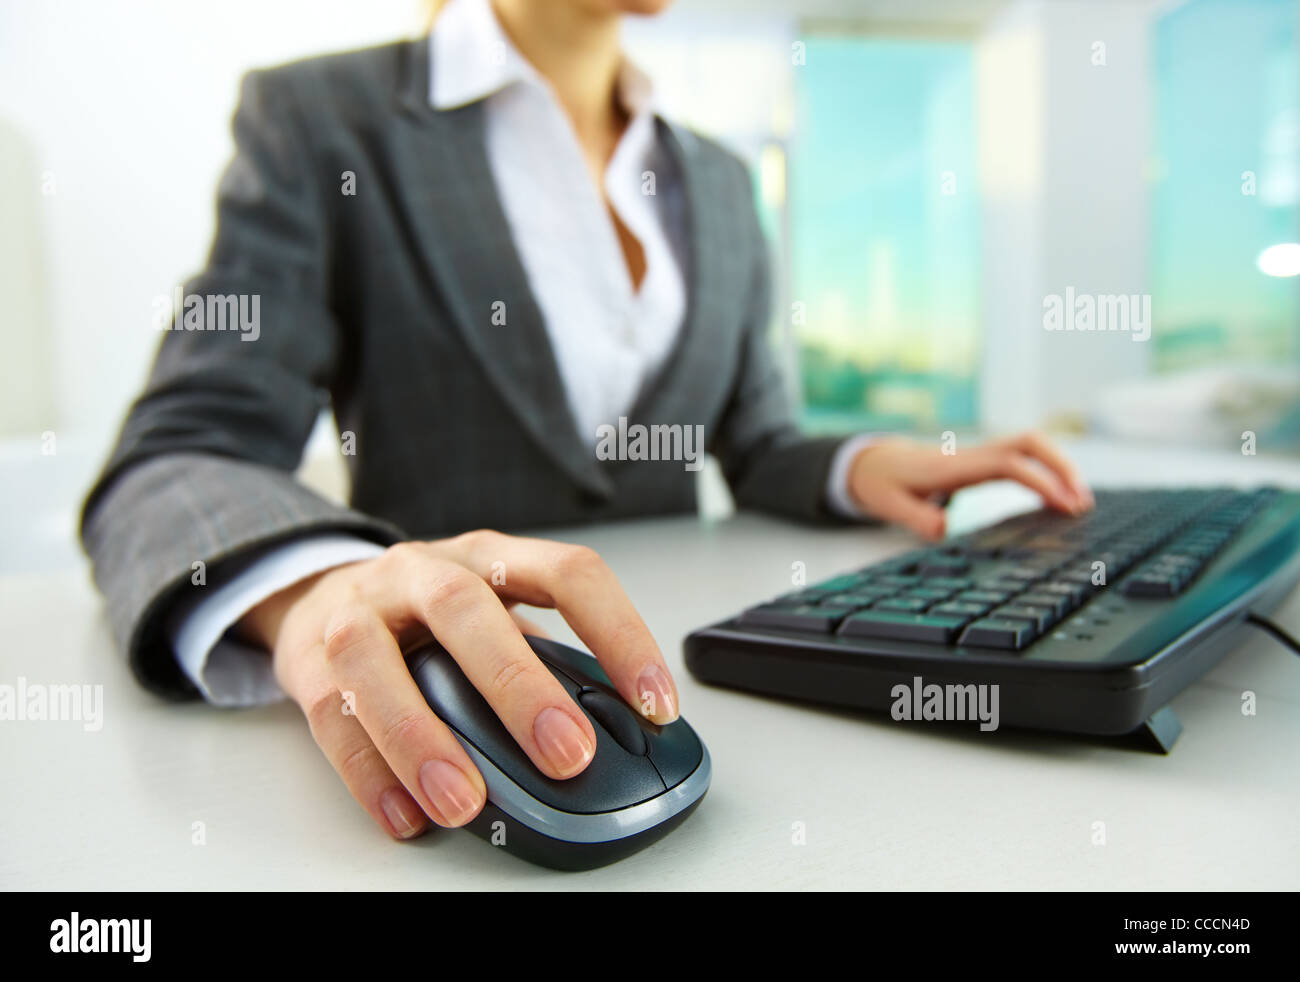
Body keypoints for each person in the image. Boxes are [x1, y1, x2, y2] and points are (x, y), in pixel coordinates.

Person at [81, 0, 1093, 843]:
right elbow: (183, 446)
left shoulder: (720, 181)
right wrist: (316, 590)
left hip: (691, 666)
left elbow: (757, 441)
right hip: (466, 670)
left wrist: (861, 461)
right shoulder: (321, 121)